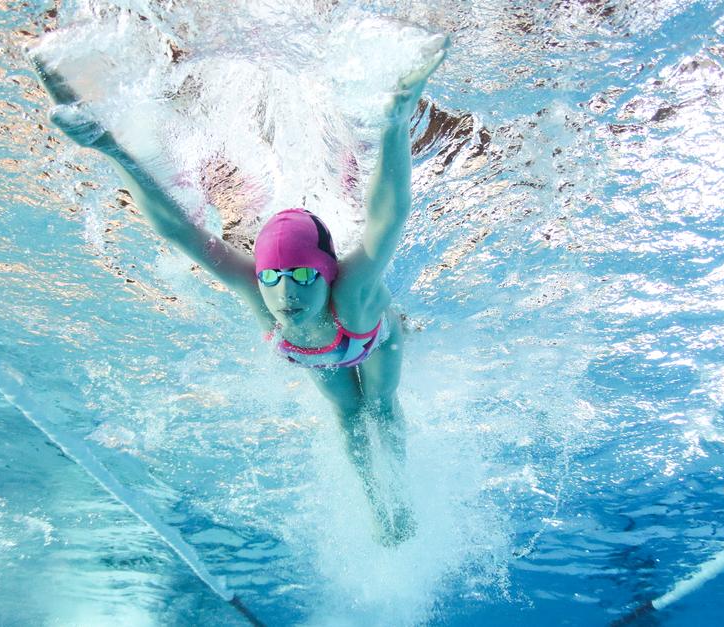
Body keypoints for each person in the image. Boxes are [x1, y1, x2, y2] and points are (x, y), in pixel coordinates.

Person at [32, 36, 448, 545]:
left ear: (326, 272)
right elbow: (177, 230)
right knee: (348, 417)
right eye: (272, 277)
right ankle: (375, 510)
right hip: (321, 352)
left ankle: (399, 502)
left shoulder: (354, 289)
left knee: (379, 408)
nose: (284, 293)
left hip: (369, 335)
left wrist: (395, 121)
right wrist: (108, 147)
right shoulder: (256, 289)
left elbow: (389, 214)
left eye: (300, 277)